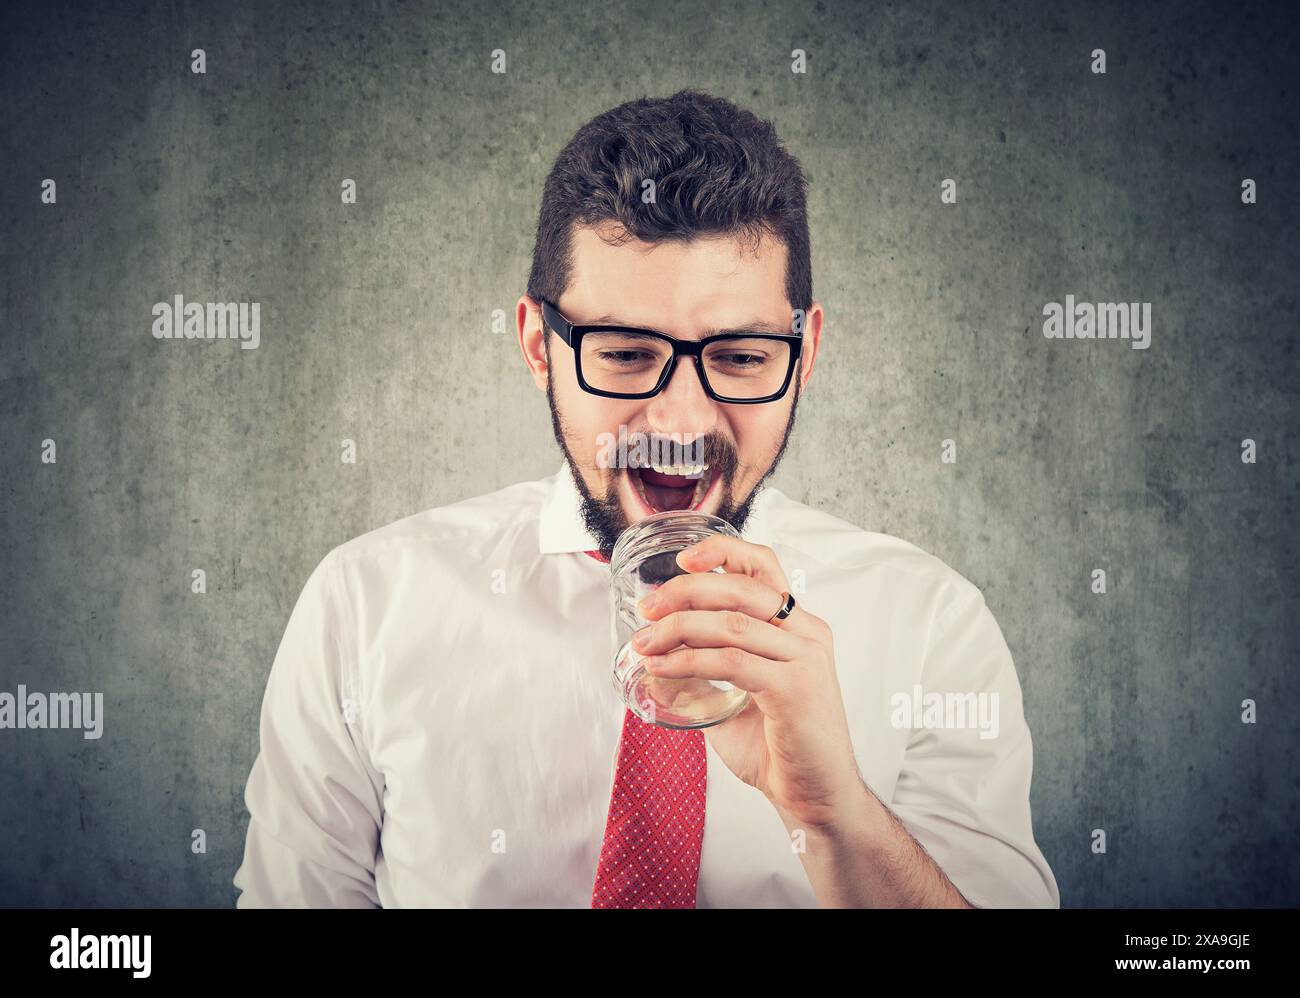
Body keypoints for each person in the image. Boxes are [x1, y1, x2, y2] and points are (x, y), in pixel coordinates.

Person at [233, 89, 1060, 908]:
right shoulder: (364, 606)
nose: (680, 419)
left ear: (803, 356)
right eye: (626, 353)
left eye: (739, 357)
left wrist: (833, 815)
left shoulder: (932, 626)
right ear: (536, 346)